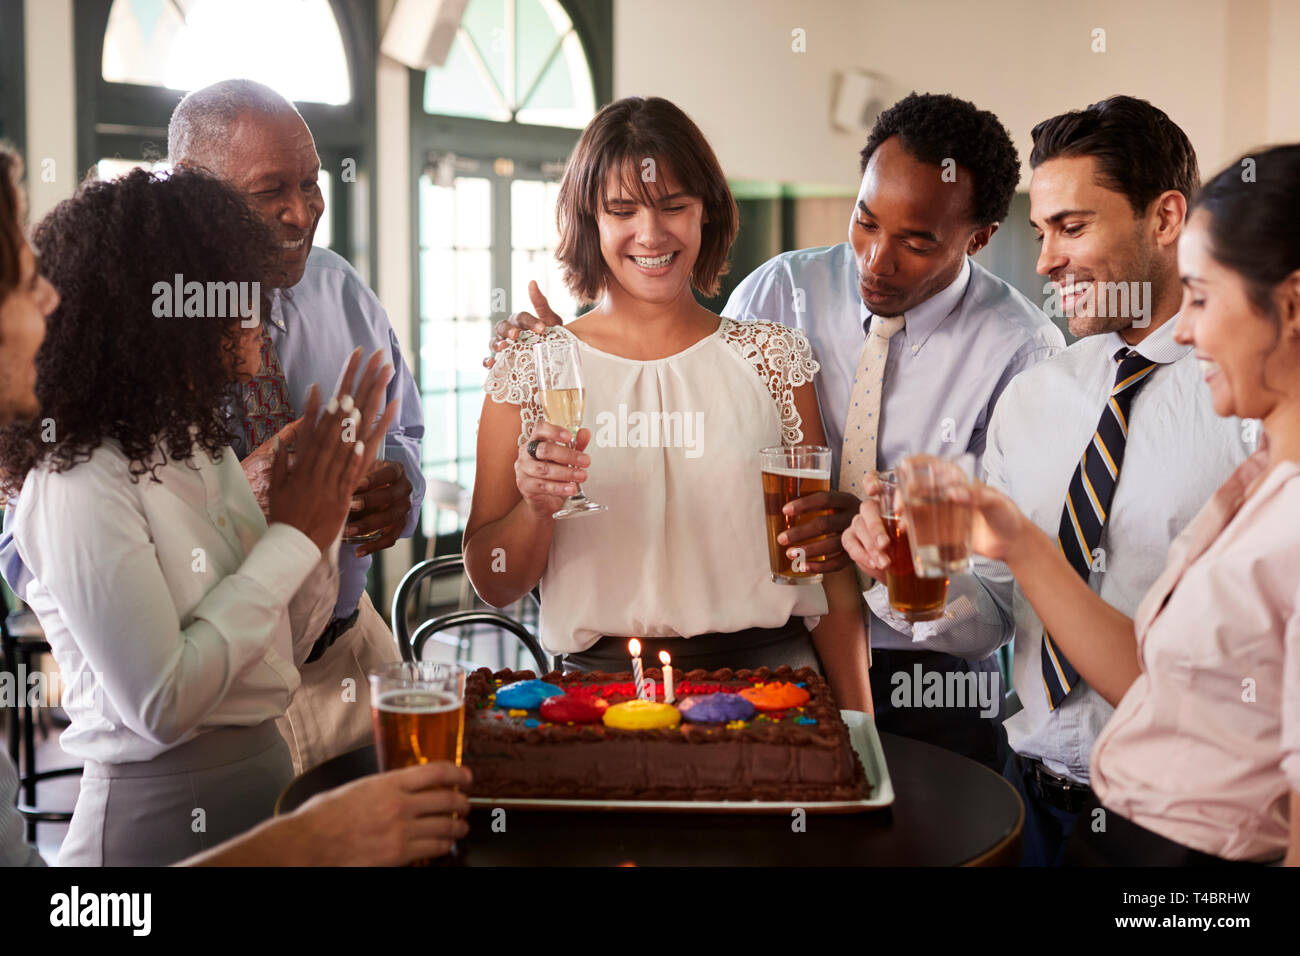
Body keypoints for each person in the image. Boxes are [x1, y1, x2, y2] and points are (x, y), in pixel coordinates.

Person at [487, 94, 1062, 764]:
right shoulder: (779, 292)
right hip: (778, 664)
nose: (876, 261)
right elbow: (698, 391)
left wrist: (893, 566)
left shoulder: (1023, 354)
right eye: (865, 221)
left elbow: (1009, 602)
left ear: (980, 236)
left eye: (915, 242)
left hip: (927, 672)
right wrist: (573, 363)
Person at [0, 146, 467, 869]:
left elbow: (271, 645)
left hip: (269, 794)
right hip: (149, 829)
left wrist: (327, 500)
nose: (262, 314)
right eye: (237, 293)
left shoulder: (195, 442)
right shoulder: (78, 475)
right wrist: (293, 533)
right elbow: (162, 705)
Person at [844, 96, 1250, 864]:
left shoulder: (1243, 402)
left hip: (1181, 819)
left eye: (1072, 227)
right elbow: (997, 613)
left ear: (1166, 219)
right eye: (1040, 231)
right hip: (1027, 801)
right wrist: (903, 574)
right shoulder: (1036, 398)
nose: (1044, 262)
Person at [464, 96, 870, 710]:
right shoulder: (533, 367)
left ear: (706, 211)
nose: (651, 234)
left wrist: (860, 729)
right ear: (588, 220)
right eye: (622, 210)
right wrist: (536, 508)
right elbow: (495, 582)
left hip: (777, 694)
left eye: (674, 206)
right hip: (602, 700)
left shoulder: (775, 358)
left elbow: (826, 568)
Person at [967, 143, 1300, 865]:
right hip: (1064, 808)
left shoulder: (1254, 453)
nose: (1183, 327)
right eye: (1041, 229)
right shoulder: (1262, 482)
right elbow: (1157, 681)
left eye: (1203, 296)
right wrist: (1015, 542)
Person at [164, 79, 426, 774]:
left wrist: (400, 488)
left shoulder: (343, 291)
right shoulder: (129, 327)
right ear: (193, 189)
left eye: (311, 183)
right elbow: (30, 547)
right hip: (210, 704)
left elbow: (404, 439)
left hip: (350, 655)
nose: (302, 210)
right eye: (269, 190)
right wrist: (234, 505)